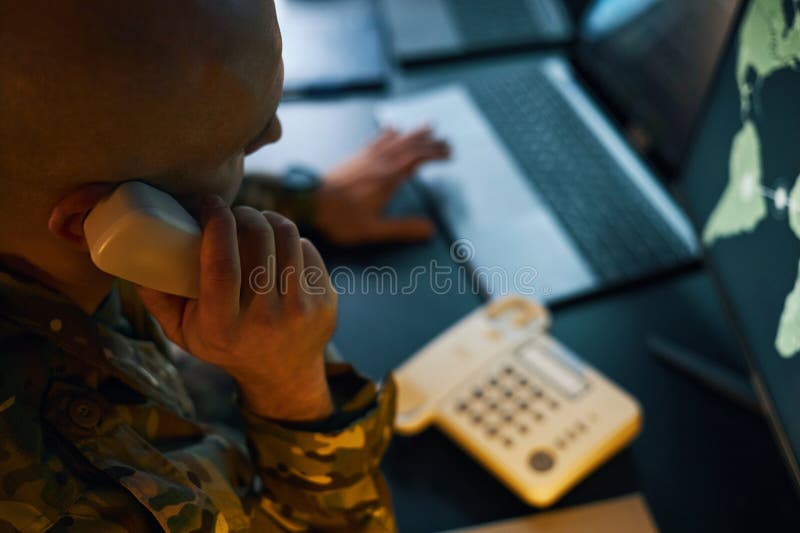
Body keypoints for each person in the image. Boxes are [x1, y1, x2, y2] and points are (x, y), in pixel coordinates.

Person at [0, 1, 448, 531]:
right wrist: (291, 391)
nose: (277, 136)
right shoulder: (71, 502)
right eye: (241, 148)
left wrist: (307, 200)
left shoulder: (36, 207)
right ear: (94, 224)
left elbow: (145, 163)